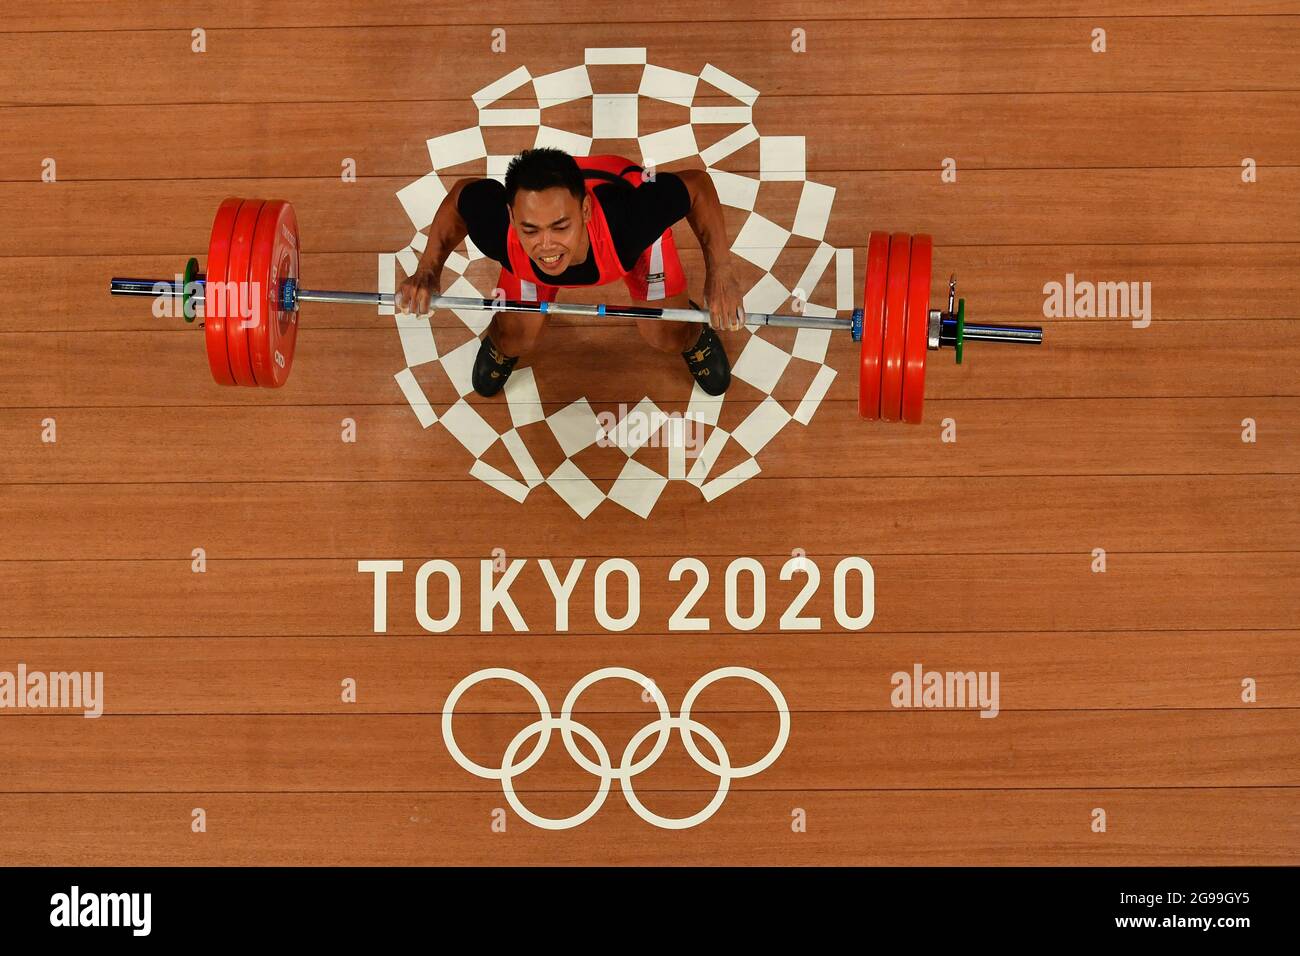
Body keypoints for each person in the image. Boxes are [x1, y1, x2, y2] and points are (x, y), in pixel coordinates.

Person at [395, 148, 746, 397]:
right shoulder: (500, 231)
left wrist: (721, 272)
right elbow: (461, 198)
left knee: (667, 335)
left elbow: (697, 187)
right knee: (515, 337)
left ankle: (692, 336)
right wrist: (428, 269)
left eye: (559, 227)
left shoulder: (632, 220)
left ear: (586, 210)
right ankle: (502, 344)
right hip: (549, 242)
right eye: (530, 229)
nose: (546, 245)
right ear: (512, 216)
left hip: (634, 245)